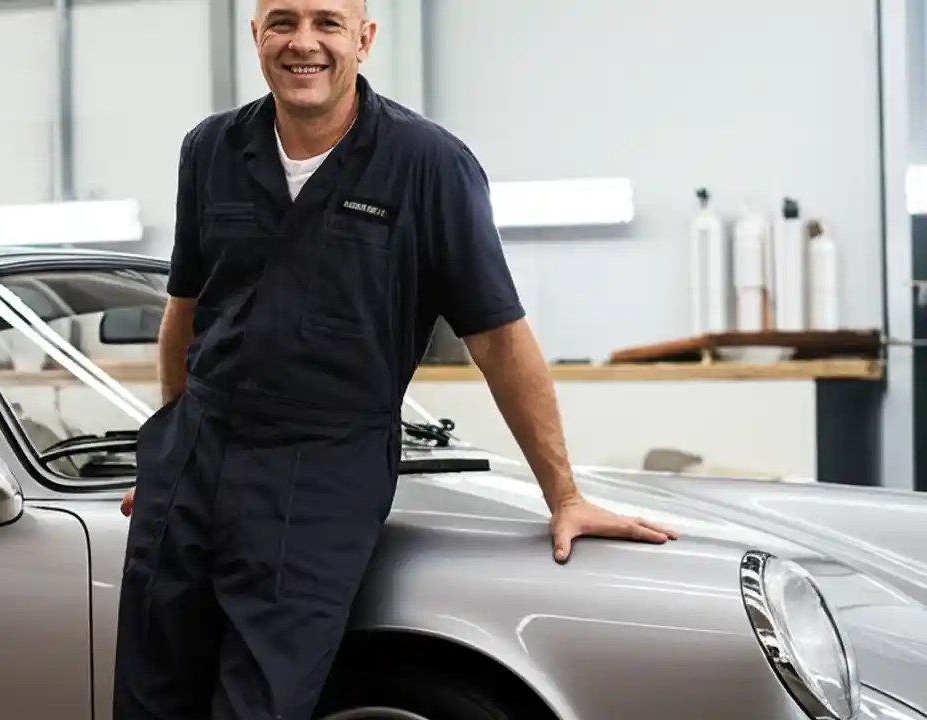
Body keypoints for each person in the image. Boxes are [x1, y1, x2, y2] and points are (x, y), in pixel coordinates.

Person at [113, 1, 679, 718]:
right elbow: (185, 311)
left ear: (365, 39)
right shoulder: (210, 149)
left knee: (257, 704)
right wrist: (167, 451)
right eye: (282, 21)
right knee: (150, 696)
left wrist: (563, 495)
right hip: (194, 459)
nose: (304, 43)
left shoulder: (428, 165)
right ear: (256, 35)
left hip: (321, 473)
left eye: (327, 22)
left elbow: (499, 339)